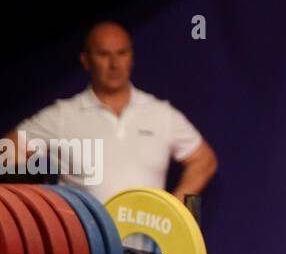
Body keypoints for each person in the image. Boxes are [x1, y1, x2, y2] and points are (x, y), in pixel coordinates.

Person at [2, 21, 218, 205]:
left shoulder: (160, 114)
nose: (114, 64)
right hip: (86, 249)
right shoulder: (62, 116)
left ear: (131, 58)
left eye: (121, 53)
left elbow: (204, 160)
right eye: (103, 54)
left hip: (148, 249)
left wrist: (176, 208)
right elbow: (5, 153)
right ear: (86, 61)